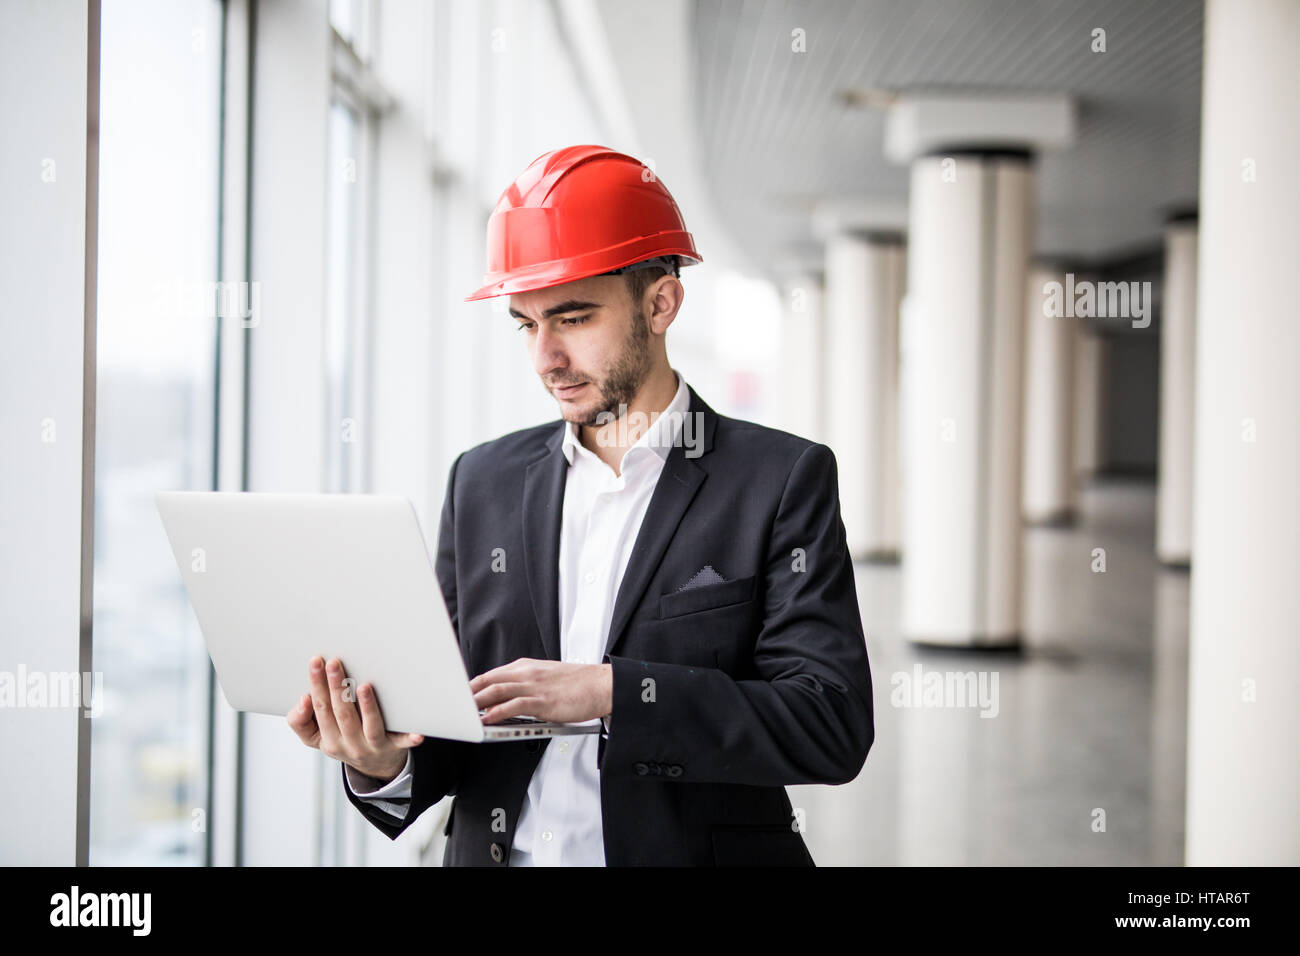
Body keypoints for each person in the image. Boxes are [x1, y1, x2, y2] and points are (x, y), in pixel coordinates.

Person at [286, 145, 874, 866]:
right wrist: (380, 760)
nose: (545, 358)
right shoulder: (483, 481)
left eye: (572, 318)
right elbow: (454, 724)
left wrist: (615, 693)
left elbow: (829, 722)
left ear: (661, 303)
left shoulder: (780, 479)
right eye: (527, 325)